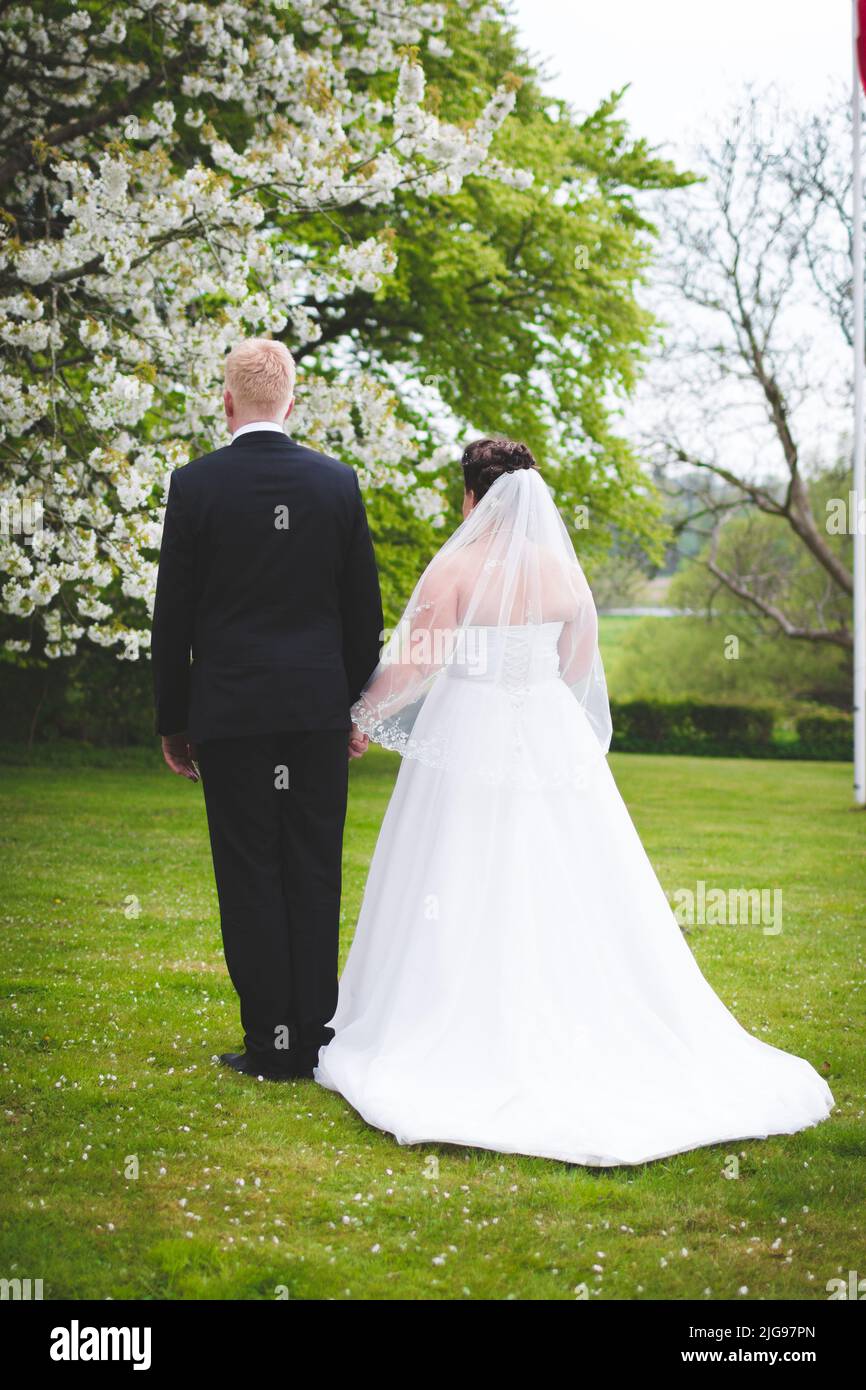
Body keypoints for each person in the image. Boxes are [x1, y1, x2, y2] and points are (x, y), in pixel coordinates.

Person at [315, 437, 834, 1165]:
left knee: (457, 869)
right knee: (568, 873)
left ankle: (453, 1017)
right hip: (548, 730)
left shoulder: (455, 568)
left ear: (472, 496)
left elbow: (418, 660)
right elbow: (579, 666)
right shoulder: (562, 572)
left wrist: (361, 717)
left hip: (471, 728)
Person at [151, 338, 383, 1080]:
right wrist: (356, 708)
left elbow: (172, 618)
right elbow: (362, 615)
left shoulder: (195, 485)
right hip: (314, 712)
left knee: (249, 871)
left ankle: (268, 1045)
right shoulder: (336, 484)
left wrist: (172, 722)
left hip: (232, 714)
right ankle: (310, 1038)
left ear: (227, 403)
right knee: (312, 870)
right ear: (293, 401)